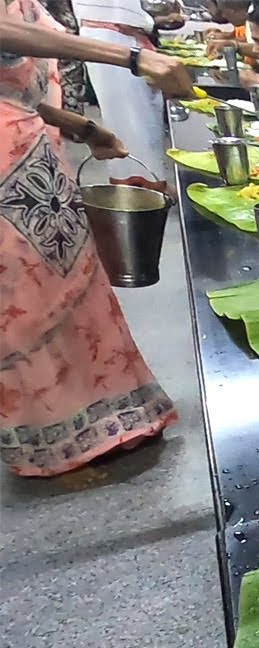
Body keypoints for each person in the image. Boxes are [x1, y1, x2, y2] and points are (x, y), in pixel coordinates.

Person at [1, 0, 184, 477]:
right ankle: (49, 442)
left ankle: (115, 422)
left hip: (34, 150)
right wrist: (133, 59)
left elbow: (13, 89)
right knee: (26, 303)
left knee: (80, 291)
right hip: (5, 173)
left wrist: (81, 126)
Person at [68, 0, 182, 191]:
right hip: (112, 36)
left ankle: (151, 183)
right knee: (129, 121)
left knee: (143, 119)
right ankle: (139, 188)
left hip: (120, 34)